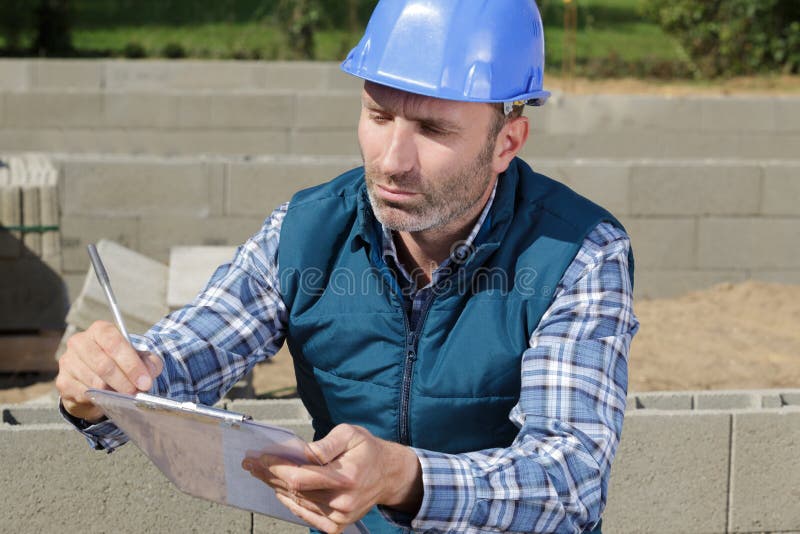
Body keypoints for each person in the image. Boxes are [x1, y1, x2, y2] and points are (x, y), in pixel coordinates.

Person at [56, 1, 638, 533]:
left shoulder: (578, 254)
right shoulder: (306, 233)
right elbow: (195, 347)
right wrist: (113, 382)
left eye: (433, 129)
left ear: (507, 141)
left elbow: (569, 478)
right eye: (378, 116)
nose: (392, 160)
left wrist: (405, 477)